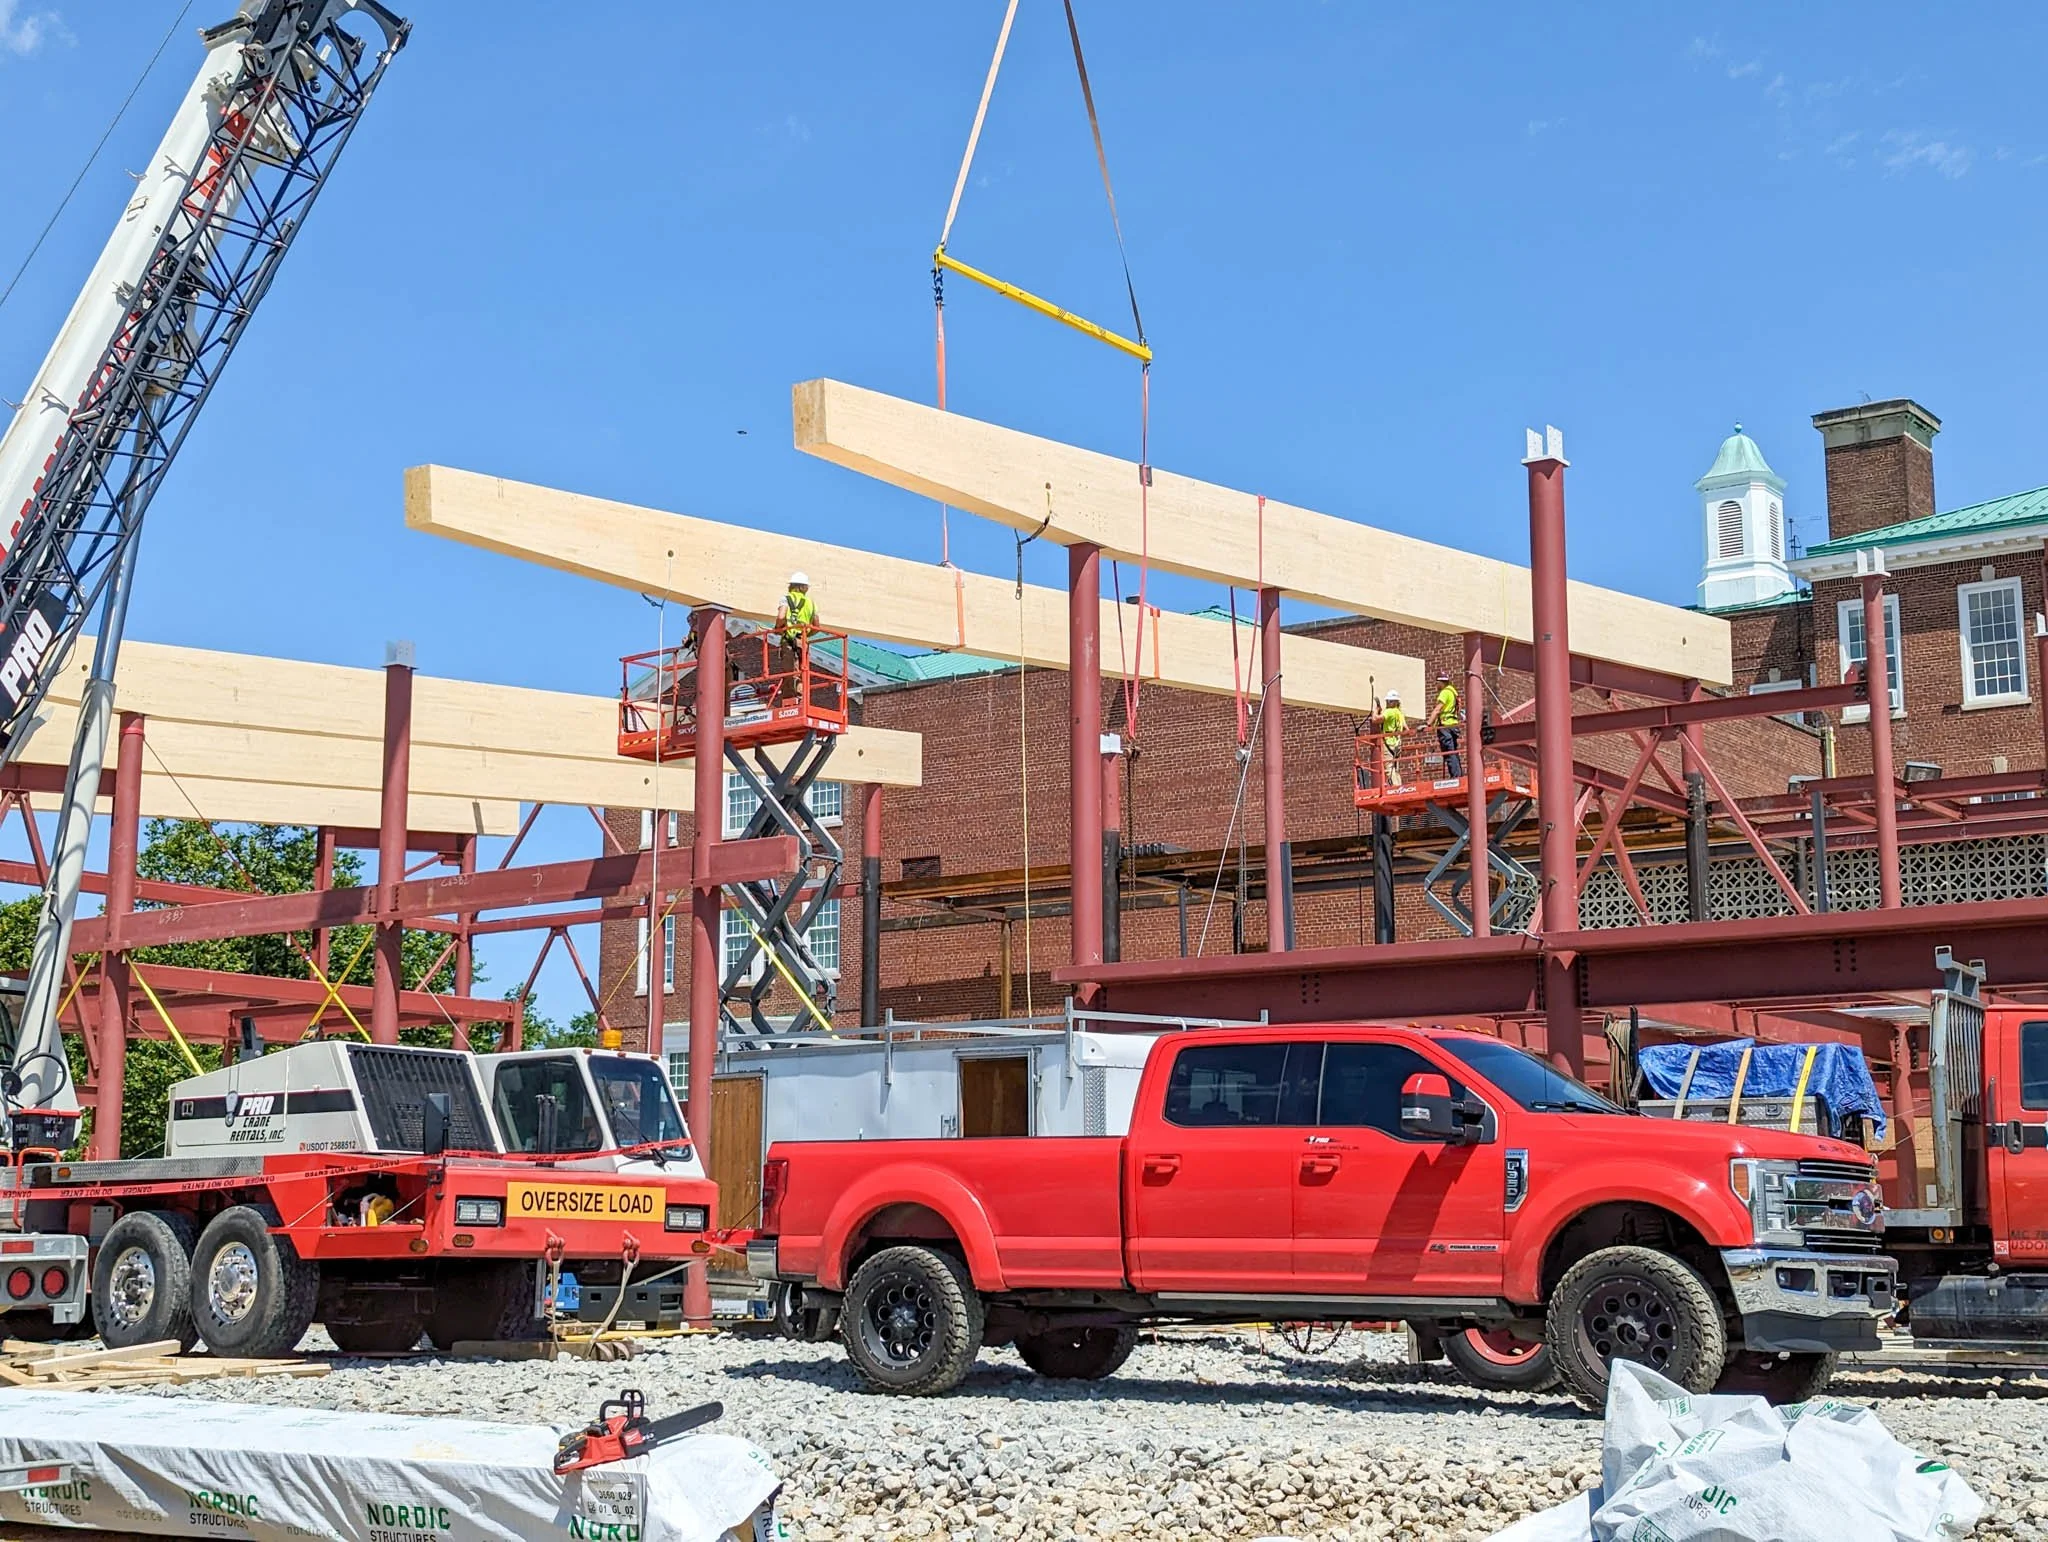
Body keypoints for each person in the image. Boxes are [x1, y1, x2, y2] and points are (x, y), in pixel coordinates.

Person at [1428, 670, 1463, 779]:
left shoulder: (1444, 693)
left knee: (1449, 752)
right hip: (1453, 725)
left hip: (1445, 726)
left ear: (1441, 682)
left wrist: (1428, 723)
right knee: (1454, 751)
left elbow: (1437, 709)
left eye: (1436, 683)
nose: (1436, 685)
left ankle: (1455, 777)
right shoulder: (1454, 692)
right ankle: (1459, 775)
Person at [1379, 690, 1407, 787]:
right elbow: (1406, 728)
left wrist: (1375, 710)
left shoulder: (1389, 712)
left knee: (1389, 768)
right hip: (1397, 743)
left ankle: (1395, 787)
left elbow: (1376, 719)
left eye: (1389, 701)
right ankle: (1399, 785)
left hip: (1388, 742)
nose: (1387, 703)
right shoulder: (1399, 713)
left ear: (1394, 702)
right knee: (1395, 768)